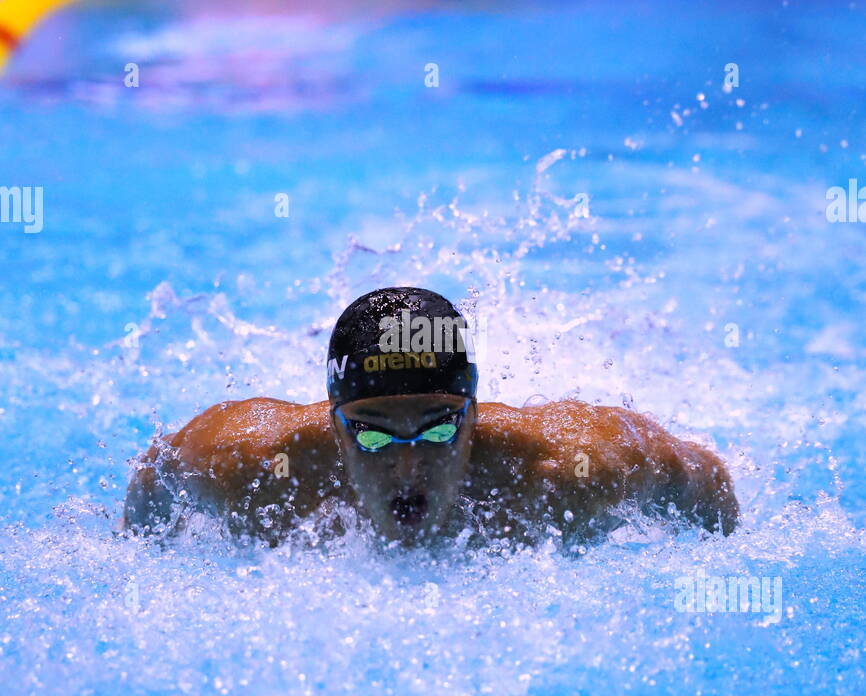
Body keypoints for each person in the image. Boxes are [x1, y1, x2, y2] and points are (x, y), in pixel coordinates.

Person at [123, 286, 738, 547]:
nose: (407, 465)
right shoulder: (251, 466)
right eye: (372, 435)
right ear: (333, 424)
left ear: (474, 417)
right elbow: (157, 473)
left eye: (439, 428)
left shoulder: (567, 469)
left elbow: (700, 474)